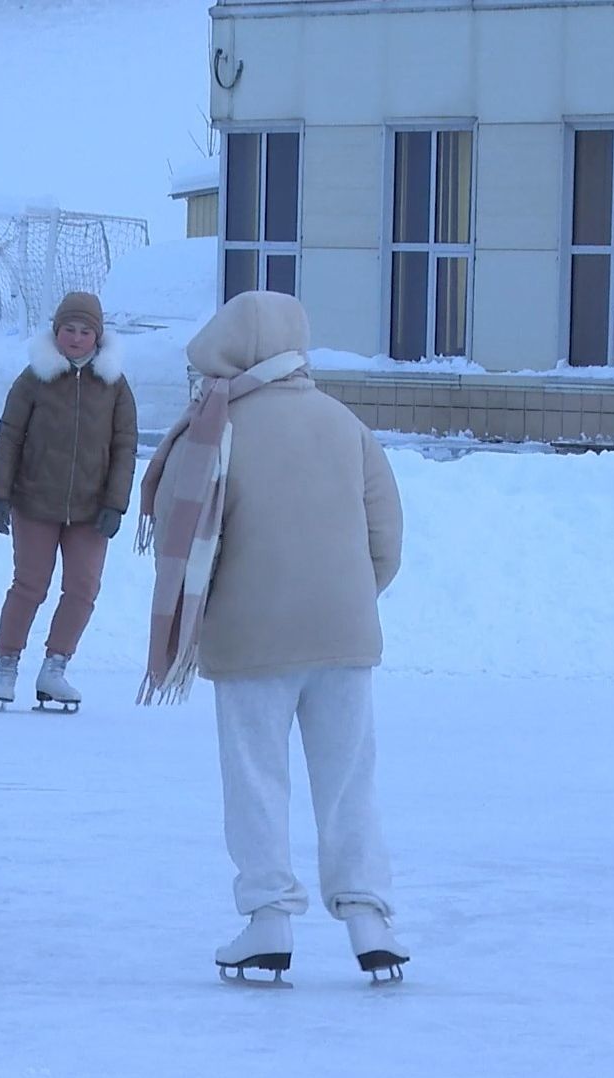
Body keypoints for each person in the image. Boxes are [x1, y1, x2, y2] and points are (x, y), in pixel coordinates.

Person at [135, 291, 409, 985]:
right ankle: (368, 919)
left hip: (249, 639)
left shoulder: (213, 428)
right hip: (344, 635)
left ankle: (269, 920)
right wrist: (345, 599)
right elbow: (385, 537)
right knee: (348, 780)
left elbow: (177, 538)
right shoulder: (345, 424)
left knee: (257, 779)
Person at [0, 292, 138, 712]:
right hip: (34, 500)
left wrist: (116, 503)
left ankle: (55, 667)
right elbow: (9, 434)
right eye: (69, 329)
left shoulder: (114, 384)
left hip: (91, 509)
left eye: (85, 331)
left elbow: (125, 446)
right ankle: (7, 662)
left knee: (83, 588)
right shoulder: (34, 377)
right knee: (30, 585)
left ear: (98, 336)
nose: (76, 337)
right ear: (56, 331)